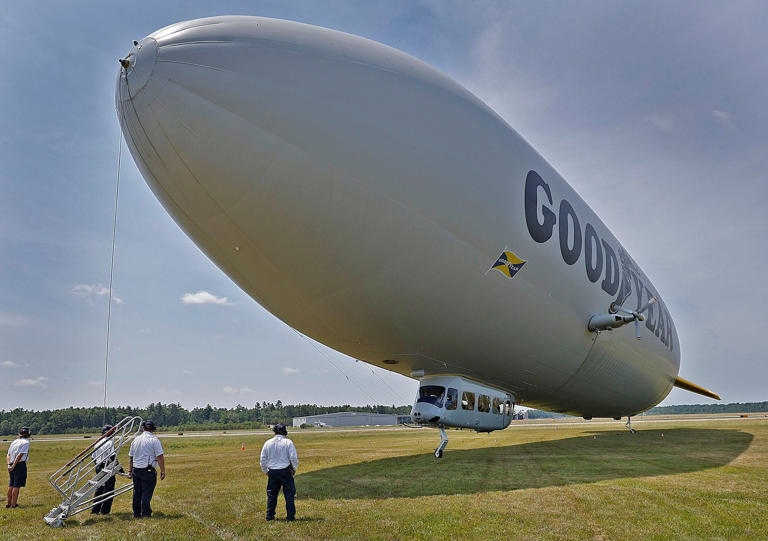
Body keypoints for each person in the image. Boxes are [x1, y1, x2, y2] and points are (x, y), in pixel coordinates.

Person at [260, 423, 298, 521]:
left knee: (272, 495)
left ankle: (269, 516)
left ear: (274, 432)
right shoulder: (288, 442)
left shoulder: (268, 443)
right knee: (289, 495)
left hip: (272, 471)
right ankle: (290, 517)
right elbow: (293, 457)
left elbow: (263, 459)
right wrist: (294, 468)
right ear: (284, 431)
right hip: (285, 471)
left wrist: (266, 471)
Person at [128, 419, 165, 518]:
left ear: (143, 428)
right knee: (146, 492)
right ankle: (146, 513)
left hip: (136, 469)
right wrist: (163, 470)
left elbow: (131, 457)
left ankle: (136, 513)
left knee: (137, 492)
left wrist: (130, 470)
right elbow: (159, 456)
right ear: (153, 429)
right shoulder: (154, 440)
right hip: (148, 470)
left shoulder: (135, 440)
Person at [91, 424, 122, 515]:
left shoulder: (98, 442)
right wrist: (119, 468)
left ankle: (95, 510)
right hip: (107, 466)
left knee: (99, 489)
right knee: (109, 489)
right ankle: (105, 511)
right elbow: (112, 456)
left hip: (98, 466)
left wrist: (98, 465)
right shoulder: (109, 442)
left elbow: (93, 458)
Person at [6, 427, 30, 509]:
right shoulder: (26, 442)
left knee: (11, 484)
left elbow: (8, 455)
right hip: (19, 465)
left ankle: (8, 504)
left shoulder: (14, 442)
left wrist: (9, 465)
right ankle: (14, 504)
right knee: (17, 485)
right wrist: (14, 466)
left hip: (11, 463)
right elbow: (20, 455)